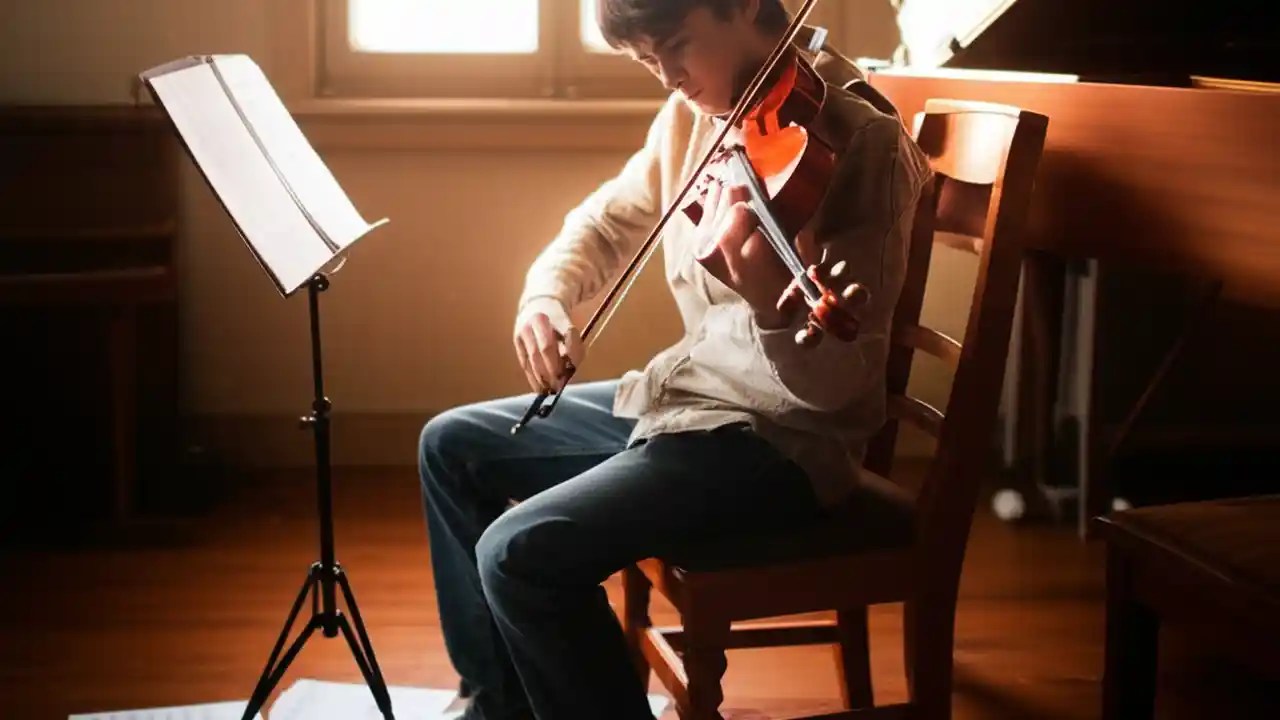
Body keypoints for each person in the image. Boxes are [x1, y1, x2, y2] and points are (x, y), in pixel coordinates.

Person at [417, 1, 932, 718]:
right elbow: (607, 218)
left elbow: (840, 391)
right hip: (686, 402)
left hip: (778, 446)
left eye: (676, 48)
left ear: (749, 6)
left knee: (518, 555)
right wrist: (547, 296)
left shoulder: (859, 141)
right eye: (645, 61)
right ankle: (498, 705)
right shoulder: (701, 114)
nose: (667, 79)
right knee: (449, 445)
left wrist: (768, 307)